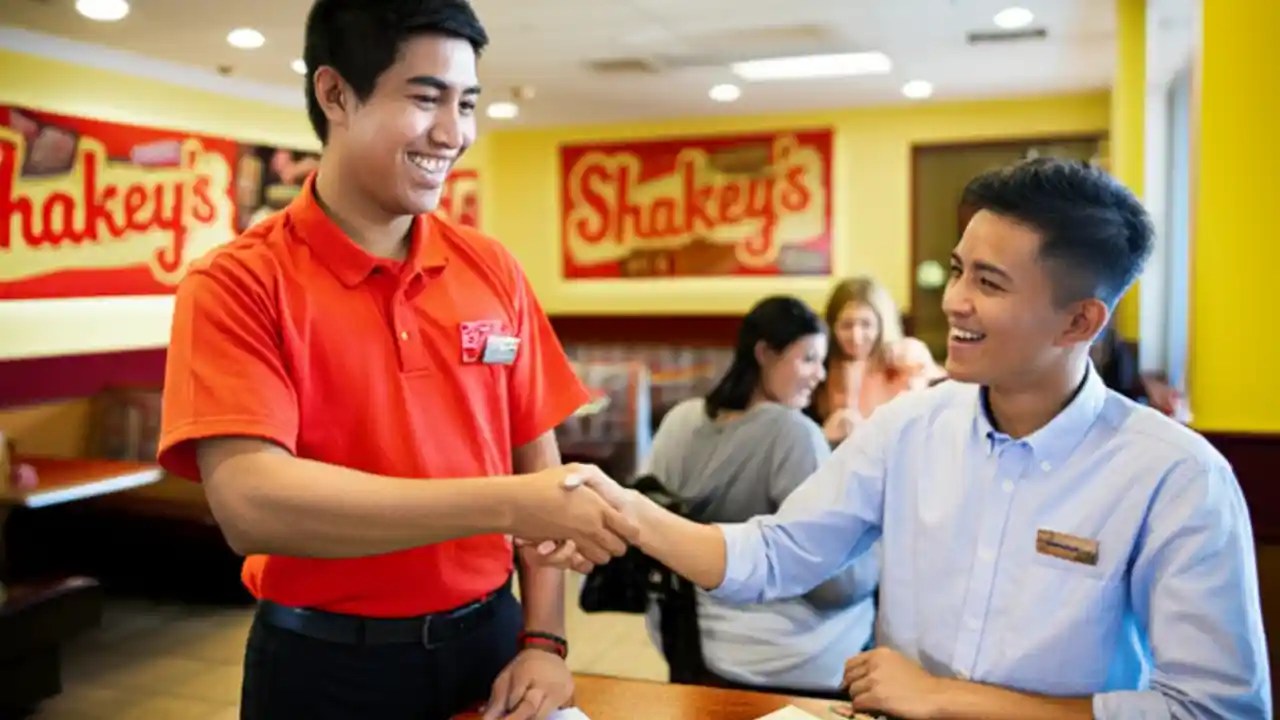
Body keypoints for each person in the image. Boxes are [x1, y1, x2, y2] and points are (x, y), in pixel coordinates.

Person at [545, 158, 1272, 718]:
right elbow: (777, 553)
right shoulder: (913, 425)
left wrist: (945, 697)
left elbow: (1209, 708)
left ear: (1079, 322)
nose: (954, 299)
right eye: (959, 269)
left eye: (989, 282)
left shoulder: (1175, 477)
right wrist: (626, 510)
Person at [156, 2, 635, 719]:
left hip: (492, 646)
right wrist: (504, 502)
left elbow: (541, 471)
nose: (453, 133)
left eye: (467, 103)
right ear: (335, 94)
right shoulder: (236, 282)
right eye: (424, 97)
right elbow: (252, 503)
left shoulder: (492, 268)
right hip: (323, 666)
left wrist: (545, 640)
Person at [642, 296, 878, 694]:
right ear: (765, 354)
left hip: (680, 631)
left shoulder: (680, 419)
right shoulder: (792, 432)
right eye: (808, 360)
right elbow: (833, 587)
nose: (819, 375)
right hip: (775, 652)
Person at [810, 276, 944, 444]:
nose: (856, 337)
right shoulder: (820, 367)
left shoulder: (904, 357)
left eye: (866, 324)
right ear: (832, 325)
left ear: (882, 325)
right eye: (846, 325)